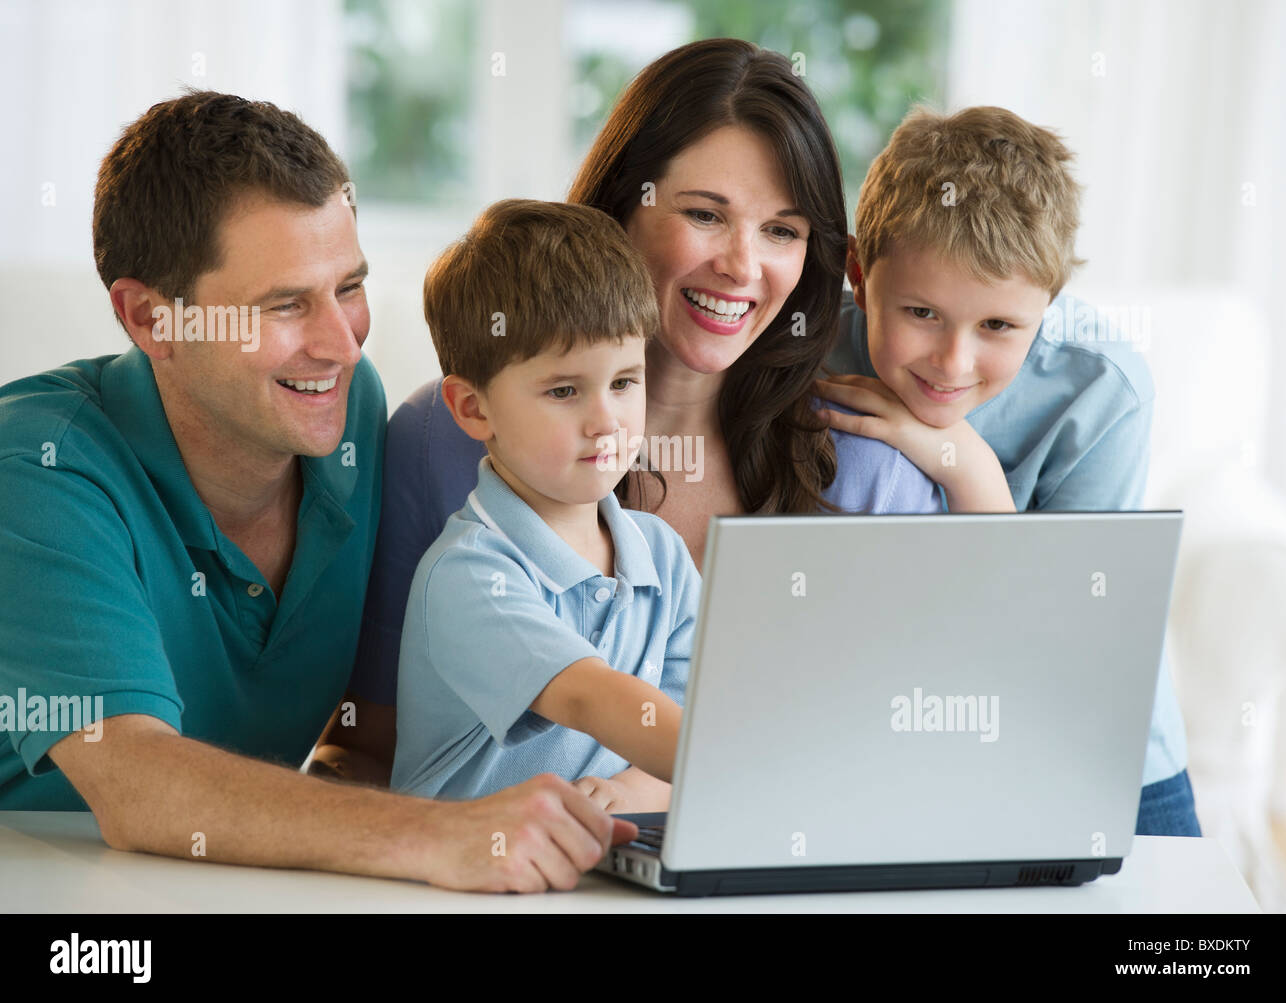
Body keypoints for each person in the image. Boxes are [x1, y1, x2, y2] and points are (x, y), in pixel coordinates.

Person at [0, 91, 634, 893]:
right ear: (153, 318)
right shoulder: (39, 462)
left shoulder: (350, 414)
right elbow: (135, 780)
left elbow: (360, 733)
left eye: (350, 286)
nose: (342, 343)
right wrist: (442, 834)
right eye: (286, 304)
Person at [316, 38, 943, 789]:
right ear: (623, 207)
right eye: (706, 214)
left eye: (783, 229)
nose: (743, 266)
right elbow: (363, 746)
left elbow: (905, 747)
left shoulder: (863, 470)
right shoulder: (440, 455)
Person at [815, 105, 1201, 836]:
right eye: (922, 312)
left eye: (997, 326)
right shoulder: (812, 355)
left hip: (1104, 755)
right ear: (859, 274)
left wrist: (961, 461)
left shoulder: (1102, 389)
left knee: (1184, 946)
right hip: (903, 745)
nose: (952, 362)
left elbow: (1060, 637)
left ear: (1047, 309)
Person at [391, 200, 698, 808]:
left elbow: (685, 722)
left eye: (624, 381)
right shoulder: (470, 572)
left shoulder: (660, 553)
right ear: (474, 409)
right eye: (564, 390)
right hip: (458, 886)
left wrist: (621, 793)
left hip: (591, 873)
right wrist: (751, 763)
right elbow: (587, 695)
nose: (605, 421)